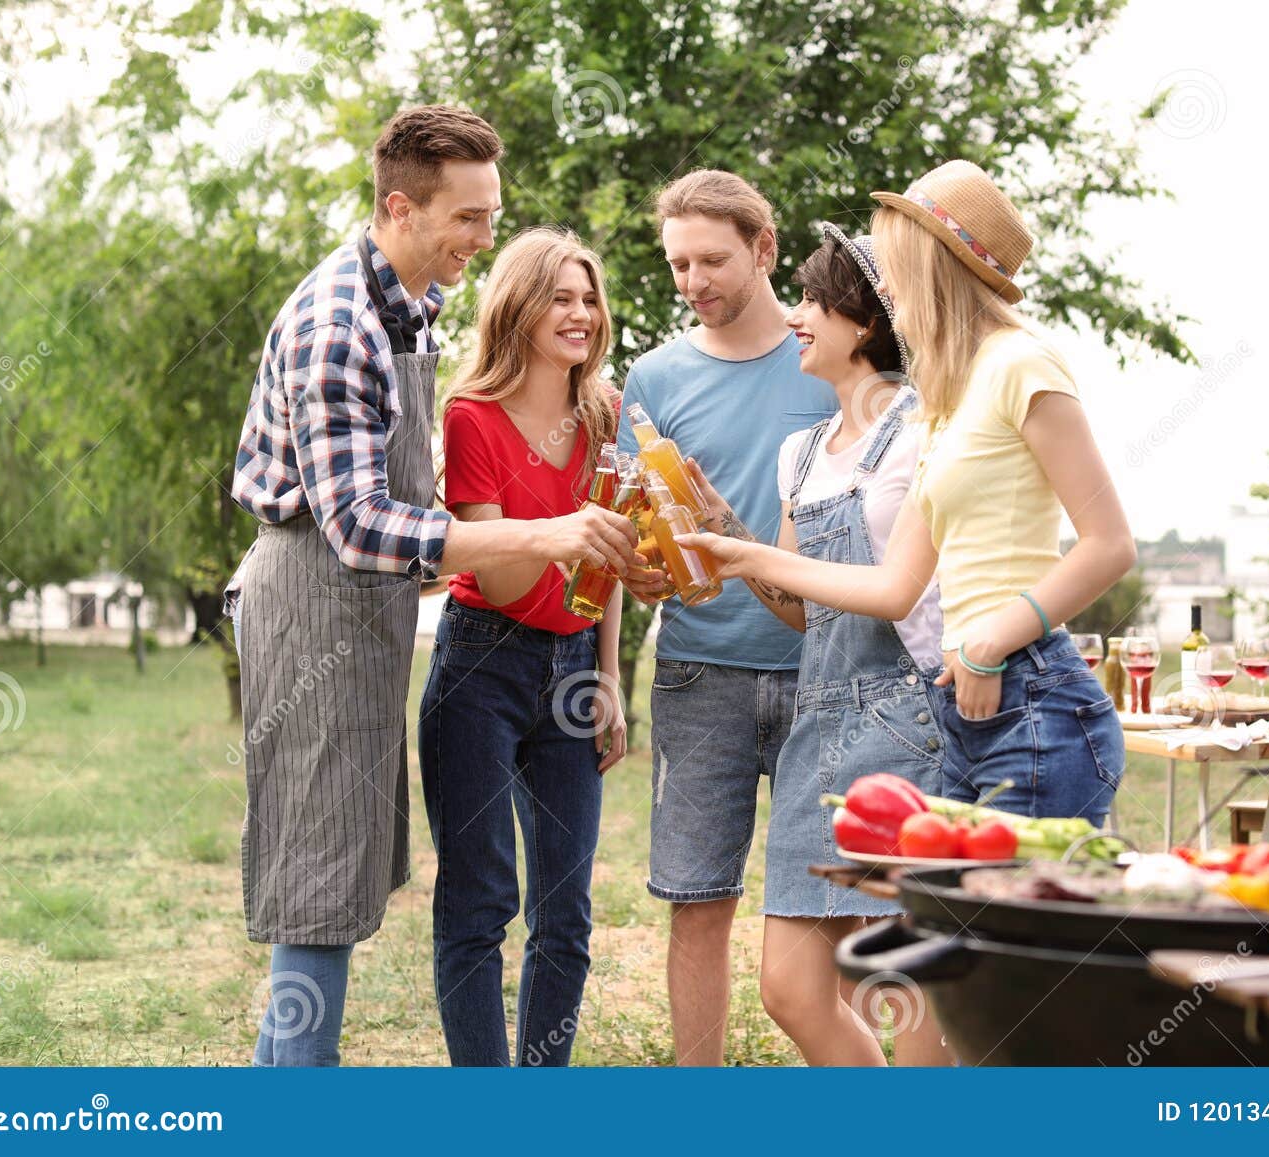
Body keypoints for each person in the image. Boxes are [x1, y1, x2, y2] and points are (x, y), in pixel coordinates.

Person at [224, 107, 636, 1068]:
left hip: (365, 612)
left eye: (492, 215)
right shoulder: (338, 327)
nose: (485, 239)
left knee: (344, 873)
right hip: (315, 598)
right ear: (400, 208)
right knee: (319, 880)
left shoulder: (409, 305)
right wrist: (546, 532)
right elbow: (360, 524)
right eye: (467, 219)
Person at [683, 160, 1135, 825]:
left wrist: (987, 642)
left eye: (894, 263)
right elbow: (893, 587)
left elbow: (1109, 544)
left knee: (1010, 898)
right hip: (962, 708)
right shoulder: (948, 399)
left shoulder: (1021, 362)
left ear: (931, 265)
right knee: (942, 893)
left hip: (1034, 699)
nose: (885, 284)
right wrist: (744, 554)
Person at [686, 225, 950, 1065]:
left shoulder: (925, 432)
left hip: (909, 724)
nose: (795, 317)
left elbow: (895, 590)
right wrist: (725, 531)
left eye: (811, 300)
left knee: (907, 987)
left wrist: (751, 555)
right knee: (792, 987)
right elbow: (803, 609)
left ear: (864, 321)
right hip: (820, 725)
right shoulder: (798, 456)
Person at [614, 170, 836, 1065]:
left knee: (839, 907)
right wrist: (641, 568)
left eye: (711, 259)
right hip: (699, 674)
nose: (692, 281)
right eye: (678, 264)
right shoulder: (655, 376)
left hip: (826, 673)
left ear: (764, 249)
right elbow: (642, 523)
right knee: (697, 903)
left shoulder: (828, 359)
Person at [417, 227, 627, 1066]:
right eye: (560, 298)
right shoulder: (471, 416)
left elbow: (610, 558)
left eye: (589, 298)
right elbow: (501, 580)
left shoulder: (606, 415)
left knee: (565, 912)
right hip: (482, 665)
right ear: (520, 308)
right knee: (479, 903)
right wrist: (562, 532)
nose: (581, 314)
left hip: (574, 663)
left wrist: (608, 675)